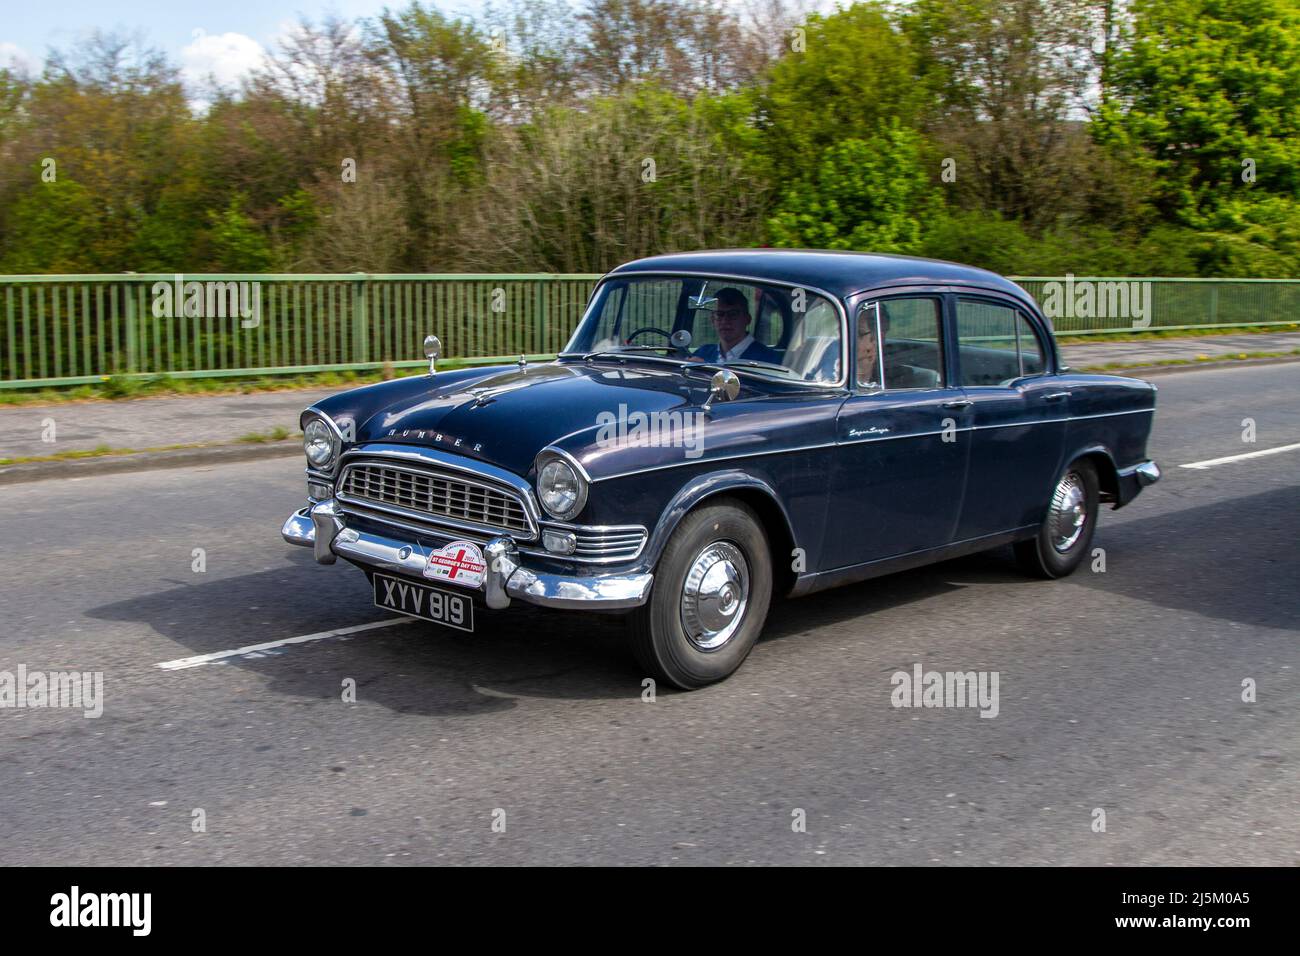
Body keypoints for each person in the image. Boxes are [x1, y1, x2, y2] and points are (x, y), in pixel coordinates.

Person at [691, 288, 783, 365]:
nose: (725, 321)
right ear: (712, 320)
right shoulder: (702, 353)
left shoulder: (769, 359)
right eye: (719, 314)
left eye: (733, 314)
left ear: (747, 319)